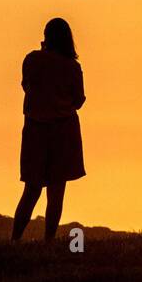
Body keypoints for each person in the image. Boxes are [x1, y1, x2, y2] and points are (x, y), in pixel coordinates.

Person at [12, 18, 86, 241]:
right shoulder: (72, 66)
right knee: (56, 191)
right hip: (64, 130)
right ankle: (49, 240)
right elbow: (79, 100)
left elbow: (26, 86)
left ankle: (15, 239)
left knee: (31, 189)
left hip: (35, 129)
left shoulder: (32, 60)